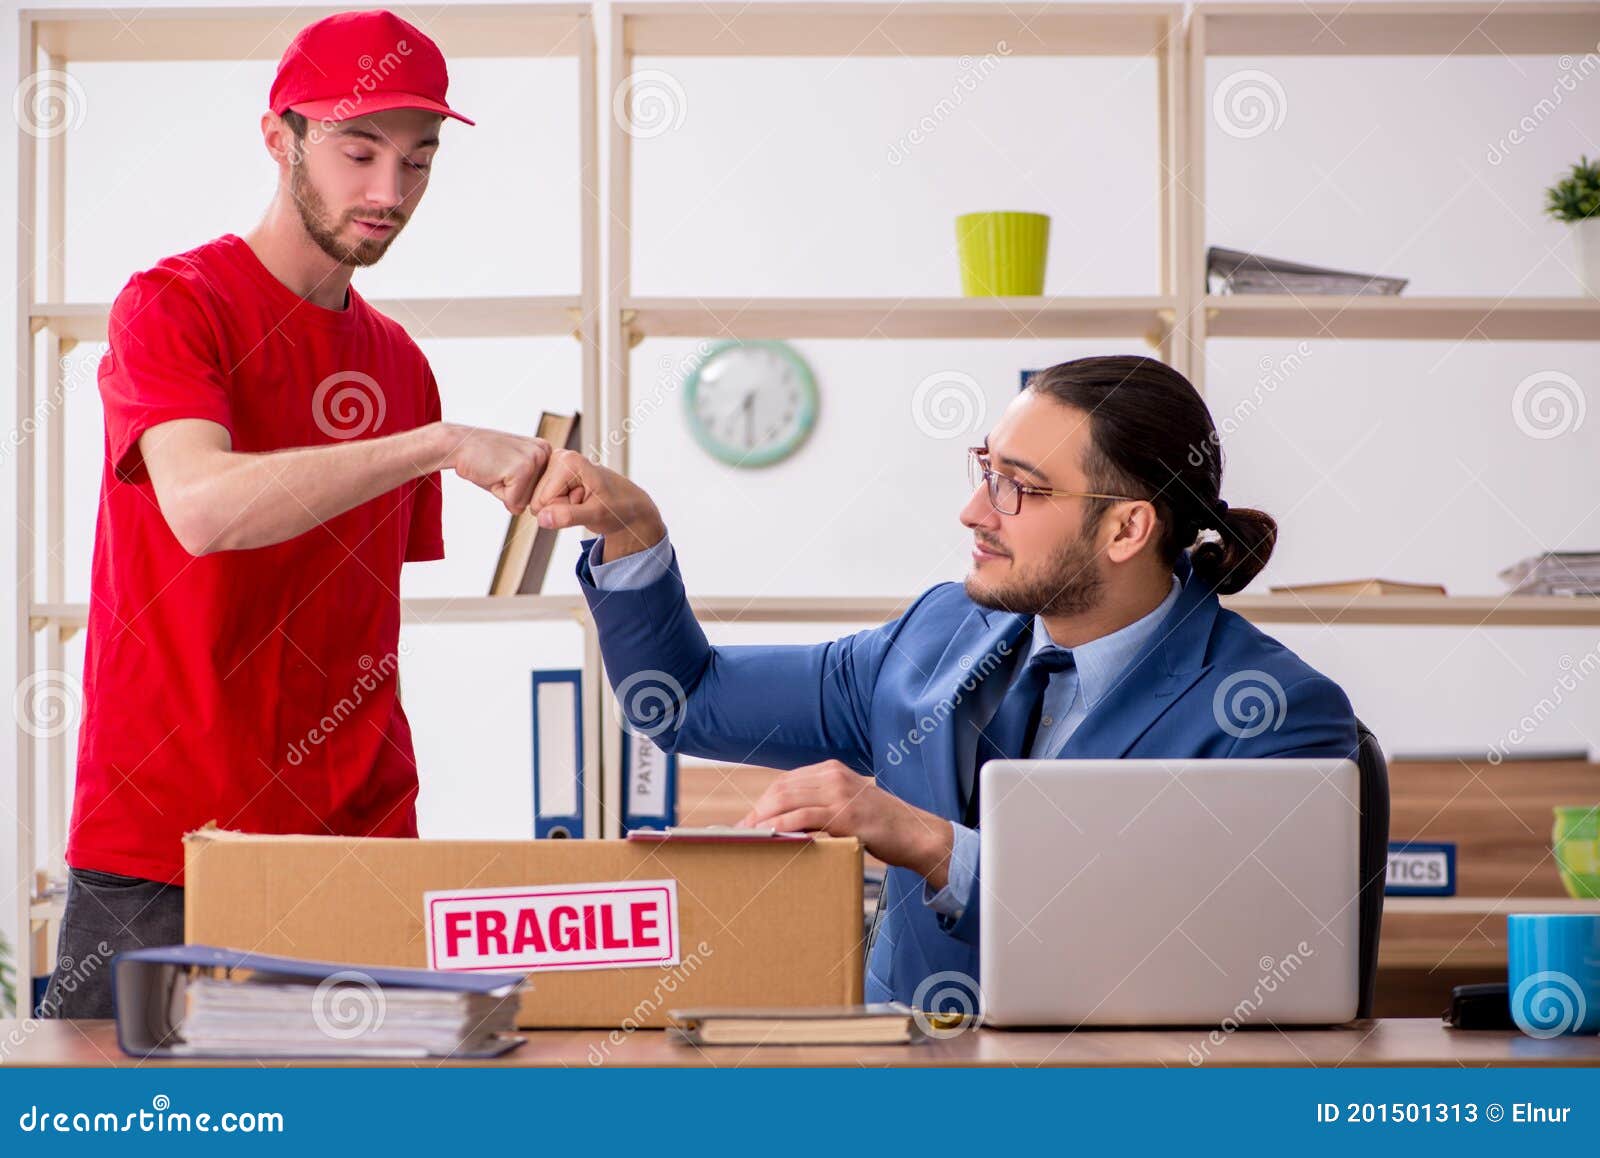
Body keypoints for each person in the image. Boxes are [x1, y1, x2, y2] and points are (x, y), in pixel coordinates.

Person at [529, 354, 1360, 1006]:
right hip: (897, 1085)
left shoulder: (1273, 715)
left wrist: (929, 842)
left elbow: (1195, 954)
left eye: (1018, 487)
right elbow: (685, 702)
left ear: (1127, 528)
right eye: (985, 469)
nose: (975, 511)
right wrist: (631, 532)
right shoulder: (939, 632)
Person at [44, 10, 551, 1017]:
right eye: (359, 152)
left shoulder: (400, 364)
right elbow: (203, 509)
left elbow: (347, 618)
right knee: (113, 1100)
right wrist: (439, 444)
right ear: (279, 139)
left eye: (418, 160)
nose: (389, 191)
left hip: (356, 849)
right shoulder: (175, 305)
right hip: (167, 843)